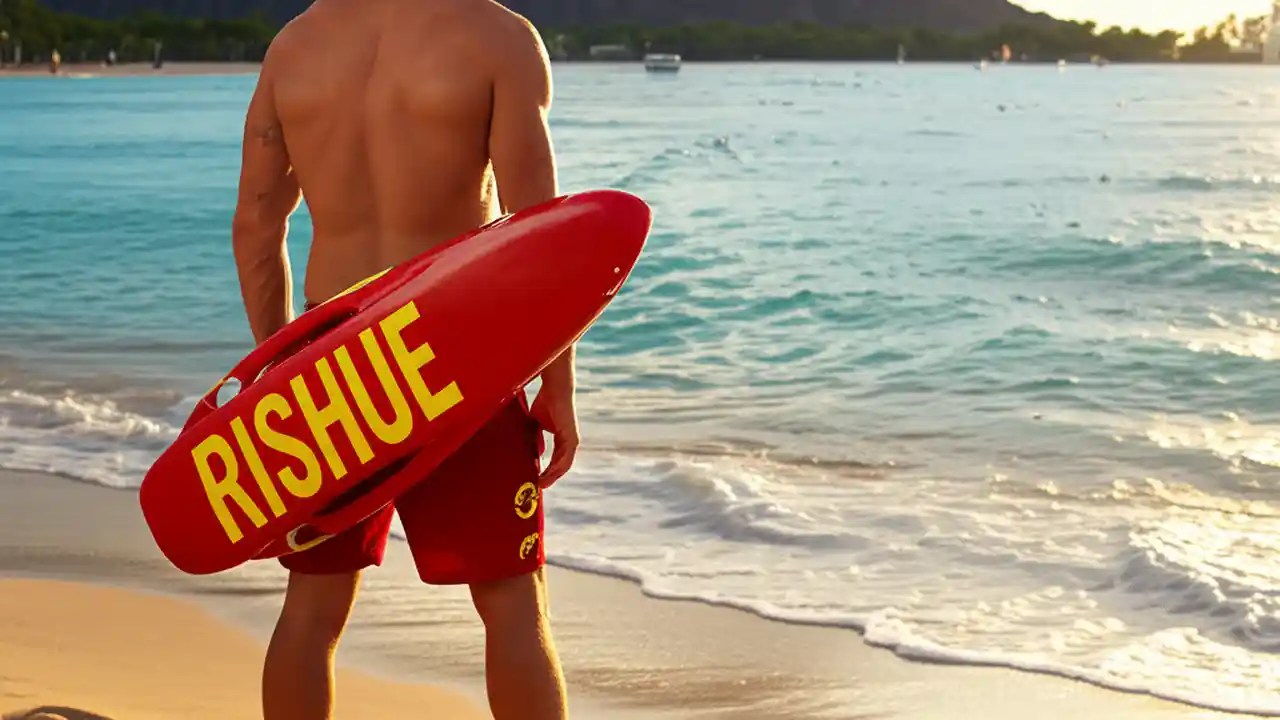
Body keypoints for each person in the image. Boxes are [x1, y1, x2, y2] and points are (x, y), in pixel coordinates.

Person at [229, 0, 575, 718]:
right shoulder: (497, 38)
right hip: (458, 353)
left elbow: (258, 225)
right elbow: (542, 237)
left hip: (333, 362)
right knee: (512, 603)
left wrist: (278, 369)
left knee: (313, 605)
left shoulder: (294, 48)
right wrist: (557, 387)